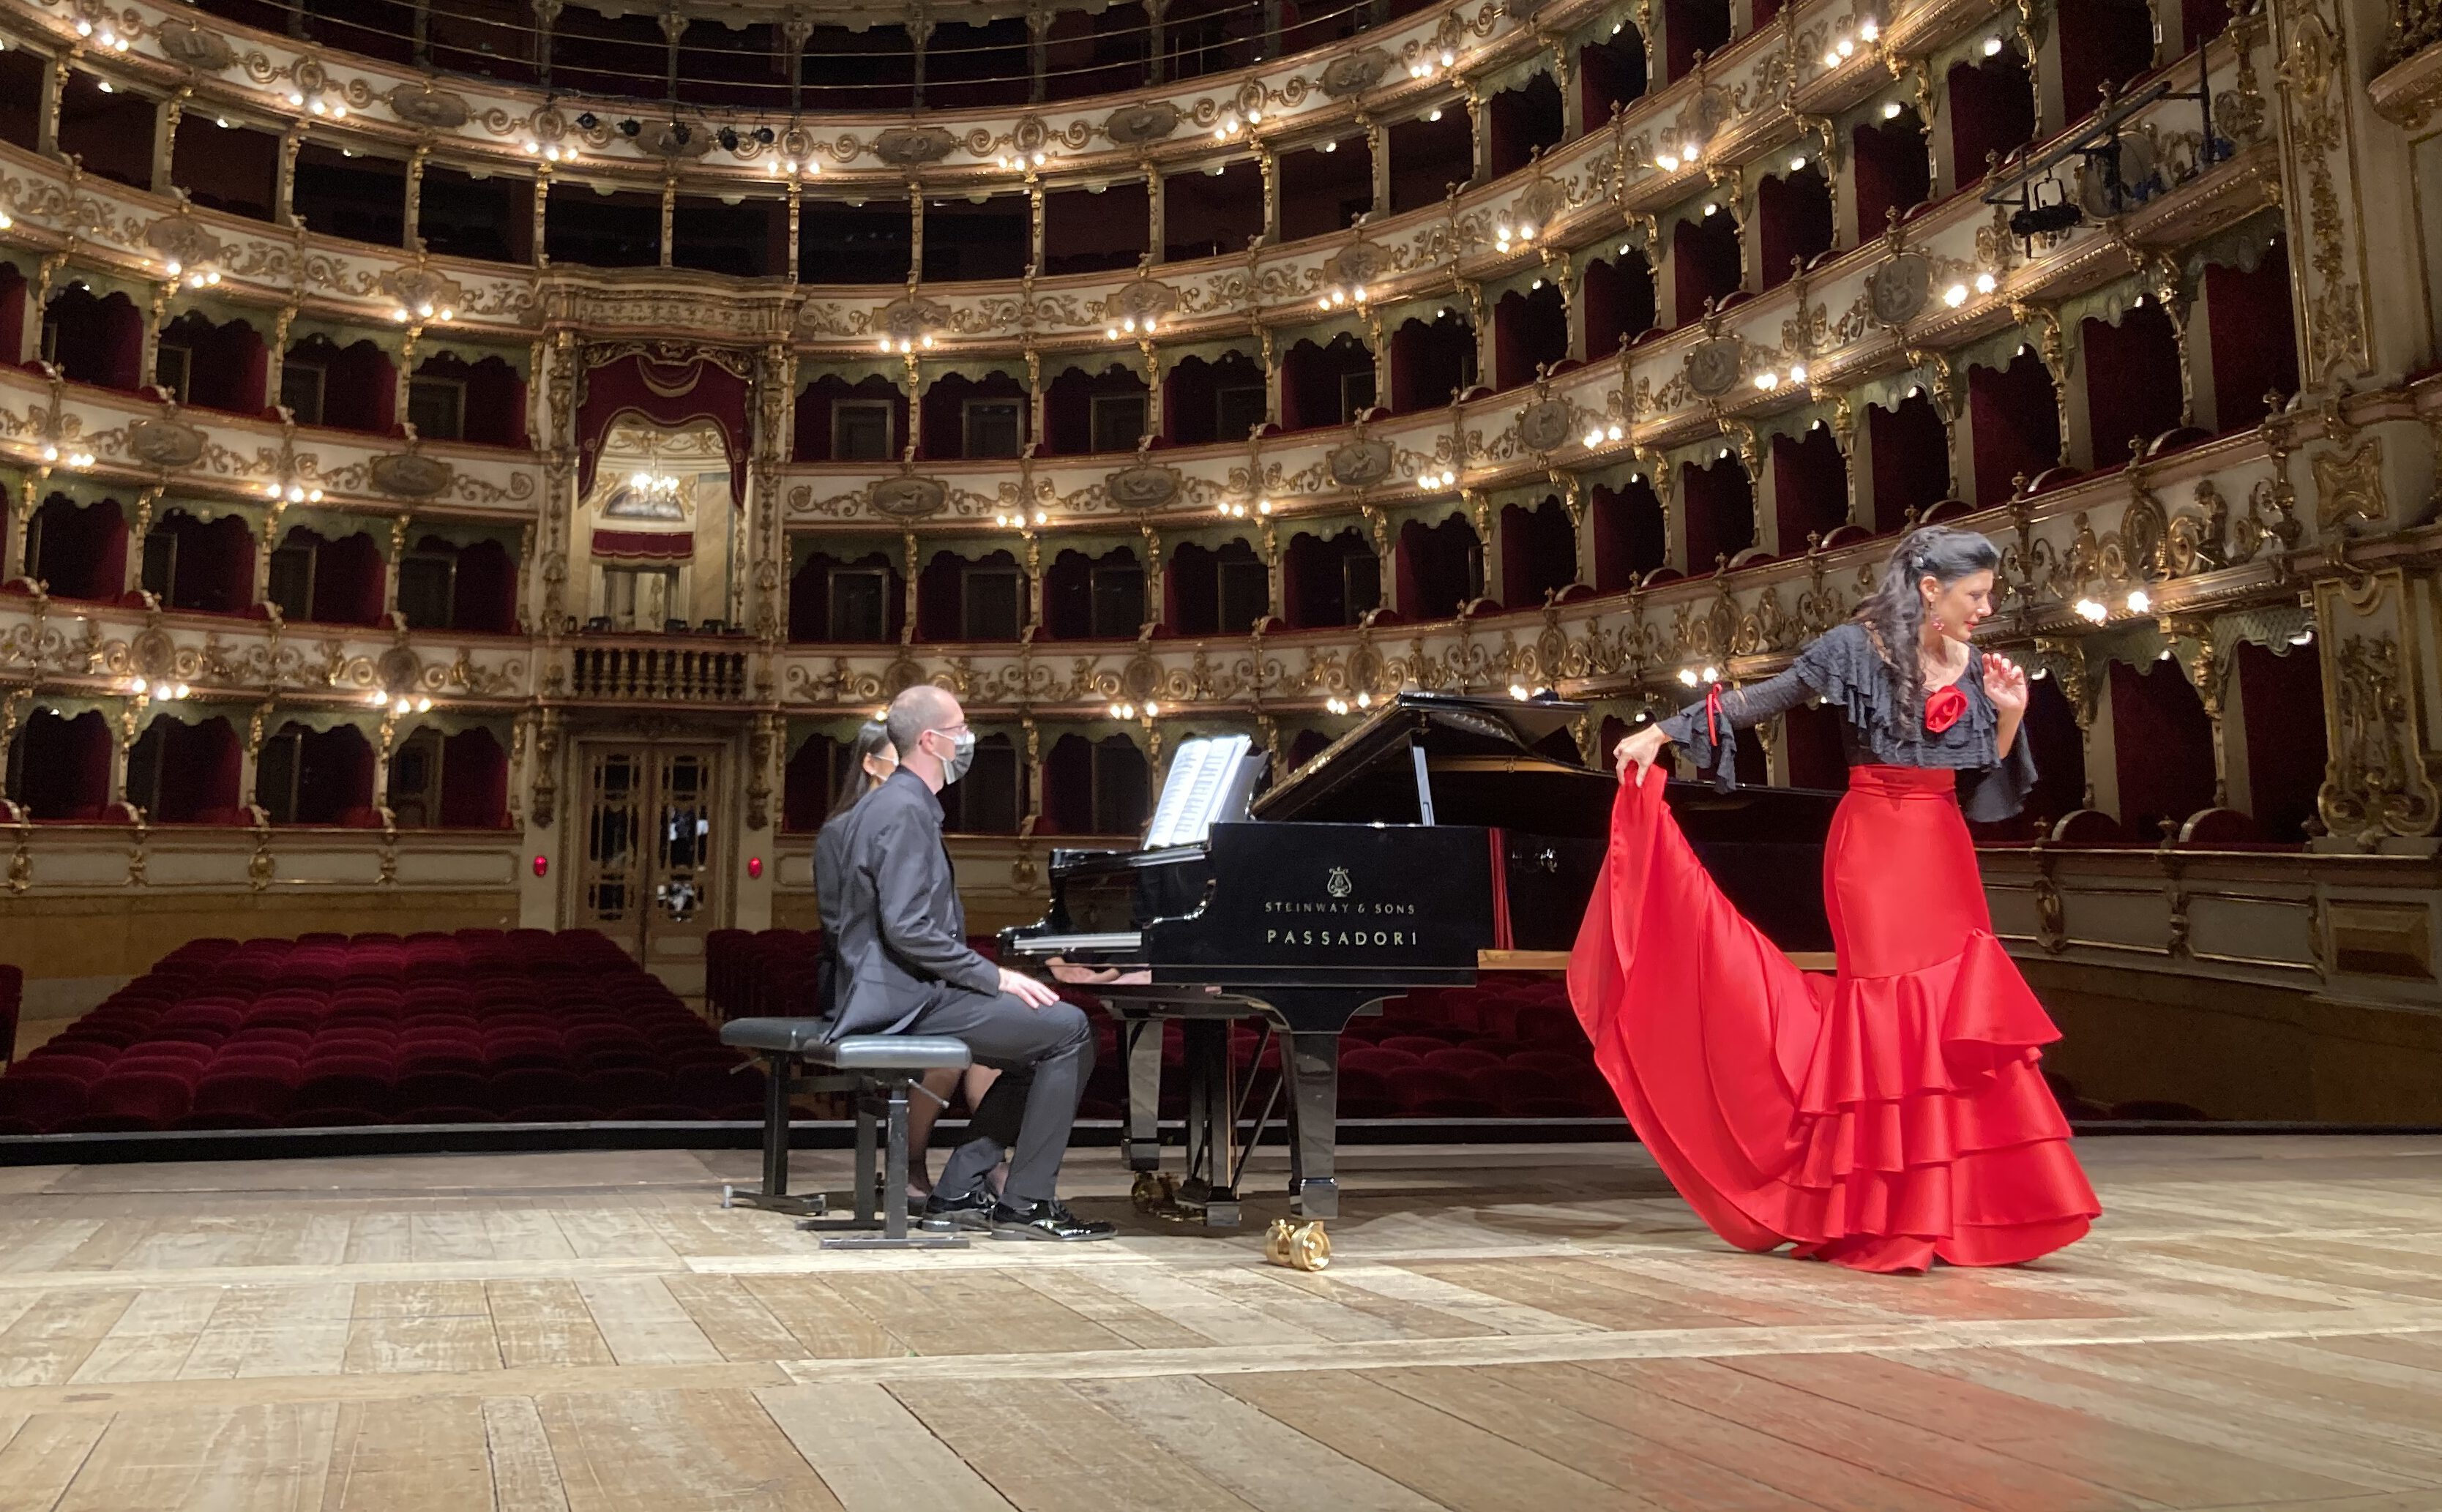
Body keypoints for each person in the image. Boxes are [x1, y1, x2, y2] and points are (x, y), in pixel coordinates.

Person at [1580, 525, 2099, 1273]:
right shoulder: (1854, 648)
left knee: (1953, 1014)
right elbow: (1769, 699)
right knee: (1890, 1012)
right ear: (1930, 589)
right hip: (1875, 844)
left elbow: (1986, 787)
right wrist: (1664, 730)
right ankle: (1884, 1212)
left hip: (1942, 844)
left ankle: (1957, 1210)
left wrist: (2010, 710)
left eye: (1988, 593)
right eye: (1976, 593)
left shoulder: (1973, 664)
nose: (1988, 607)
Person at [826, 684, 1113, 1242]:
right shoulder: (904, 809)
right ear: (931, 741)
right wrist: (994, 975)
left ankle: (959, 1188)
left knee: (1043, 1040)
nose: (968, 738)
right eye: (960, 728)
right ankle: (1027, 1203)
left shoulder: (896, 803)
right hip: (906, 998)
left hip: (910, 988)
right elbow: (908, 928)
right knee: (1071, 1031)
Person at [813, 720, 1003, 1205]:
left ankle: (987, 1167)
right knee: (944, 1055)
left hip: (916, 974)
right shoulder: (843, 830)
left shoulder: (912, 816)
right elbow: (844, 929)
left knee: (995, 1051)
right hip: (866, 980)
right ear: (871, 765)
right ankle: (909, 1163)